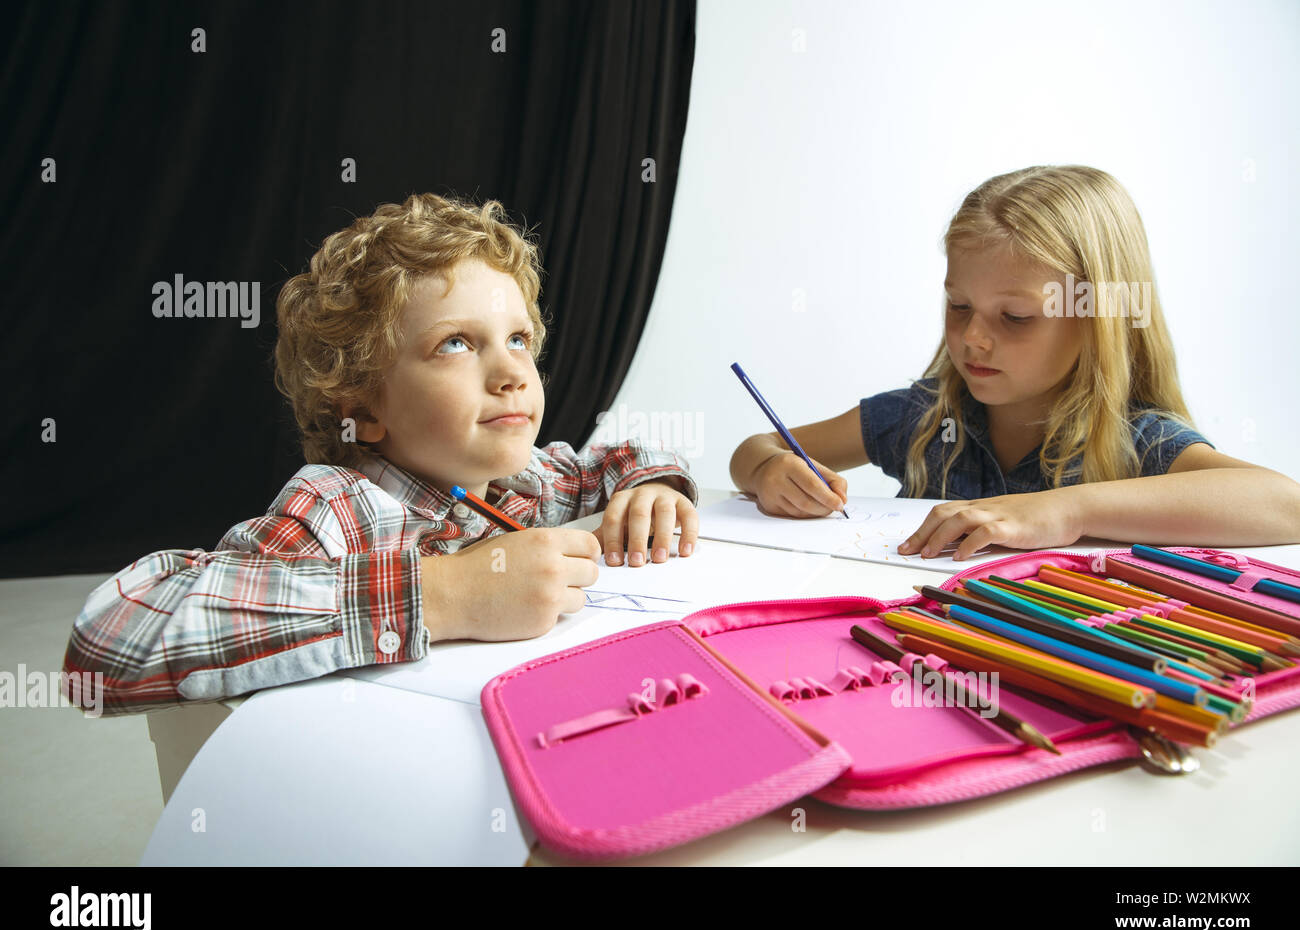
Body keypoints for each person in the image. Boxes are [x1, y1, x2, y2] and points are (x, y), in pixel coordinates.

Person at [66, 193, 698, 716]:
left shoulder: (520, 483)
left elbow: (618, 461)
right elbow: (106, 647)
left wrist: (655, 486)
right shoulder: (341, 508)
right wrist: (447, 594)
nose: (512, 372)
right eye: (455, 343)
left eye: (517, 338)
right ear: (363, 409)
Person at [730, 165, 1300, 560]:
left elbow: (1284, 505)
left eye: (1016, 318)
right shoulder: (925, 418)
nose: (974, 338)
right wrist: (767, 473)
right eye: (959, 306)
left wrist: (1066, 511)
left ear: (1097, 317)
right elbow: (758, 448)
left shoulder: (1134, 441)